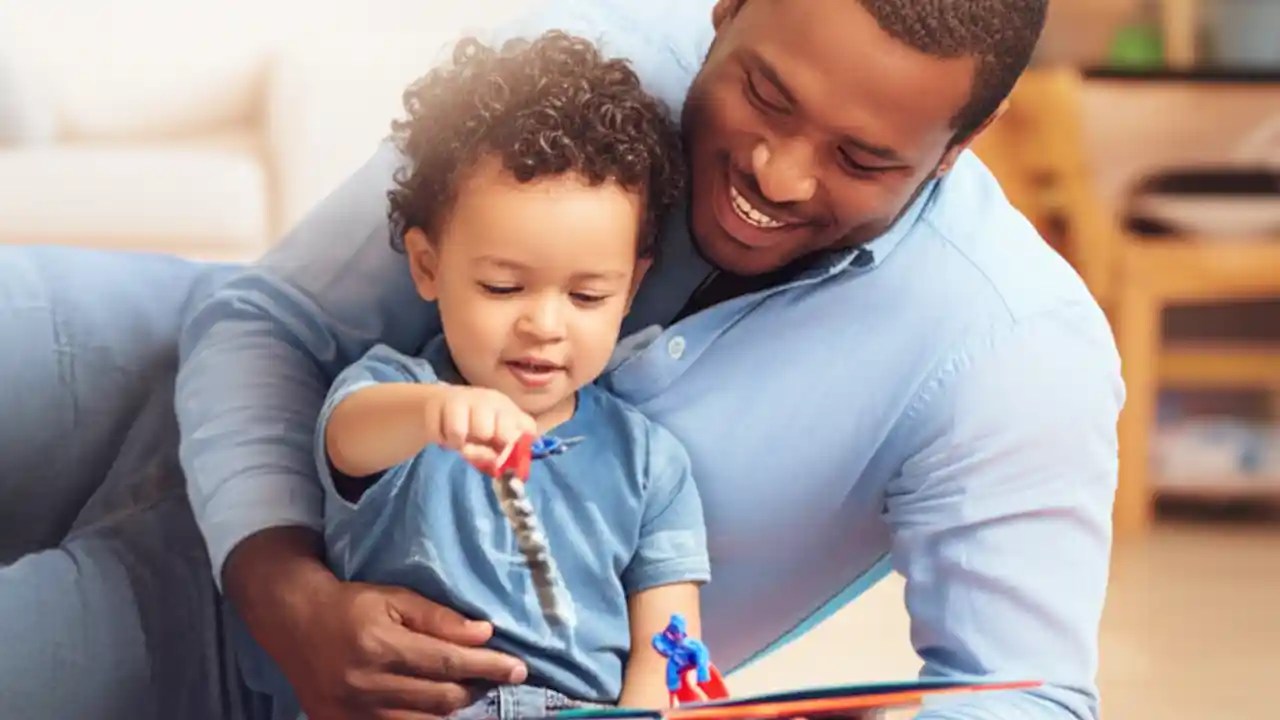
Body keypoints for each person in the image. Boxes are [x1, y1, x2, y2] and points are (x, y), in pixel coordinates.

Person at [0, 1, 1123, 719]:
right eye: (764, 95)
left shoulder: (1013, 357)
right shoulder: (585, 67)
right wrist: (285, 591)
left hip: (210, 637)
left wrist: (662, 696)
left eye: (862, 158)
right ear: (728, 4)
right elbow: (271, 323)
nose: (778, 174)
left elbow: (1024, 697)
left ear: (958, 146)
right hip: (124, 385)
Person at [243, 31, 709, 718]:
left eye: (587, 296)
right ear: (428, 266)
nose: (544, 325)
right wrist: (435, 413)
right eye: (502, 287)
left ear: (632, 288)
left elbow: (671, 645)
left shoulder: (650, 465)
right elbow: (349, 439)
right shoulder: (392, 393)